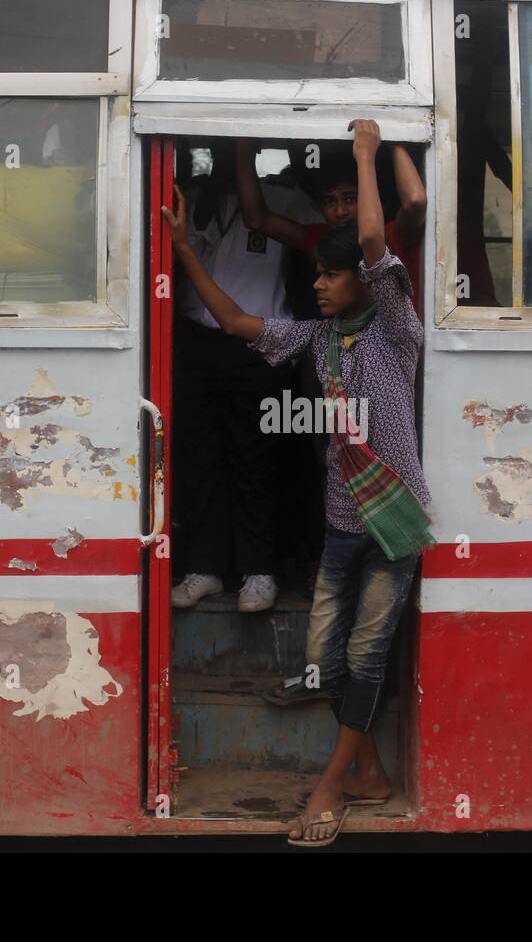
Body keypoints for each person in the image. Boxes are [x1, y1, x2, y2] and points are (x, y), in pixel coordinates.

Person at [163, 119, 434, 848]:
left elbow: (378, 244)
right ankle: (369, 770)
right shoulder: (316, 338)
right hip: (344, 526)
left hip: (393, 524)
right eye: (316, 273)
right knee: (324, 660)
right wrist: (186, 248)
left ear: (363, 284)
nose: (314, 283)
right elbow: (233, 320)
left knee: (363, 656)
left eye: (328, 275)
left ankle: (329, 787)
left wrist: (368, 156)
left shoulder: (396, 330)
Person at [170, 139, 323, 613]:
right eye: (216, 151)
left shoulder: (285, 199)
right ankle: (207, 566)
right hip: (196, 341)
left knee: (256, 461)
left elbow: (316, 254)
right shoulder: (192, 201)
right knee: (199, 460)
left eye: (234, 150)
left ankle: (260, 570)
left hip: (261, 346)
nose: (221, 160)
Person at [236, 136, 427, 315]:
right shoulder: (325, 240)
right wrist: (242, 143)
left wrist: (396, 137)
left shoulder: (392, 235)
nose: (340, 211)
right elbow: (257, 219)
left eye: (350, 199)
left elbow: (415, 202)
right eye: (330, 202)